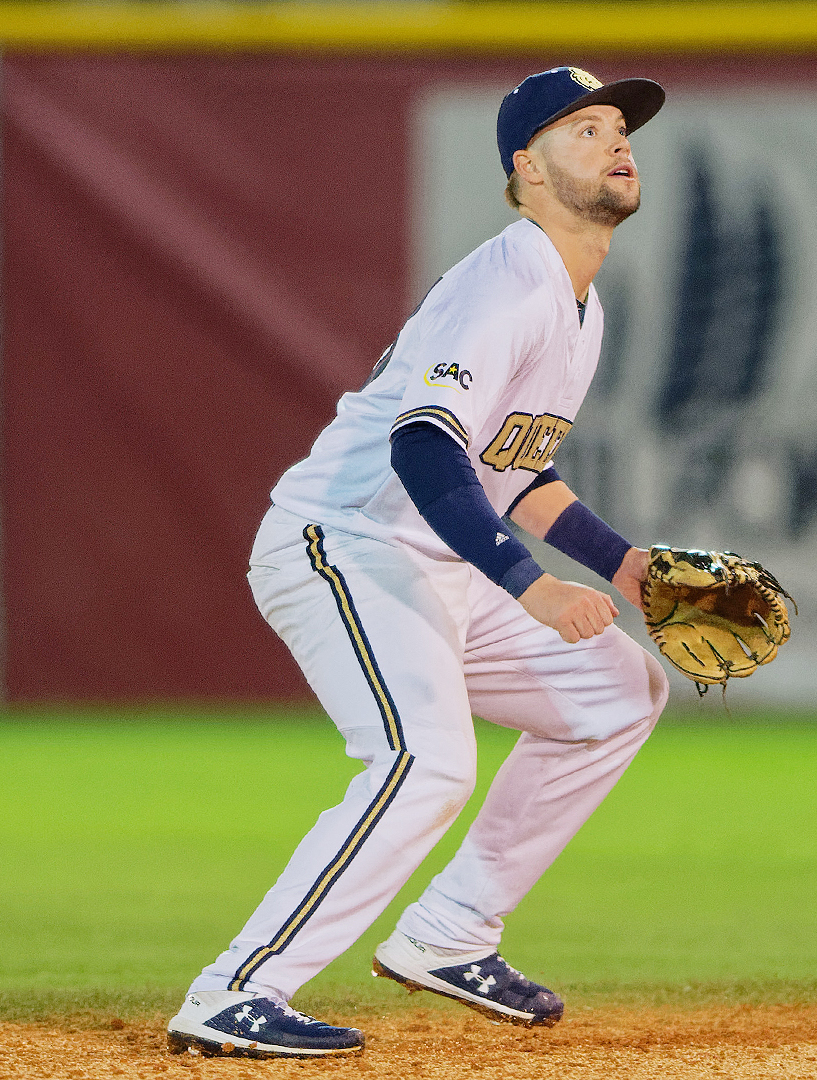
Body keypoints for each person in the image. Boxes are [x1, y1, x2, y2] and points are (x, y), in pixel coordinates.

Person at [166, 66, 671, 1060]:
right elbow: (426, 448)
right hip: (346, 542)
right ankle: (233, 991)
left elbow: (509, 470)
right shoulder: (510, 280)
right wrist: (531, 586)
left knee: (619, 688)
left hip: (437, 557)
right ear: (526, 168)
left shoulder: (582, 306)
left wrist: (624, 569)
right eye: (584, 130)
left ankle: (451, 932)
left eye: (620, 126)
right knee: (423, 762)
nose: (617, 141)